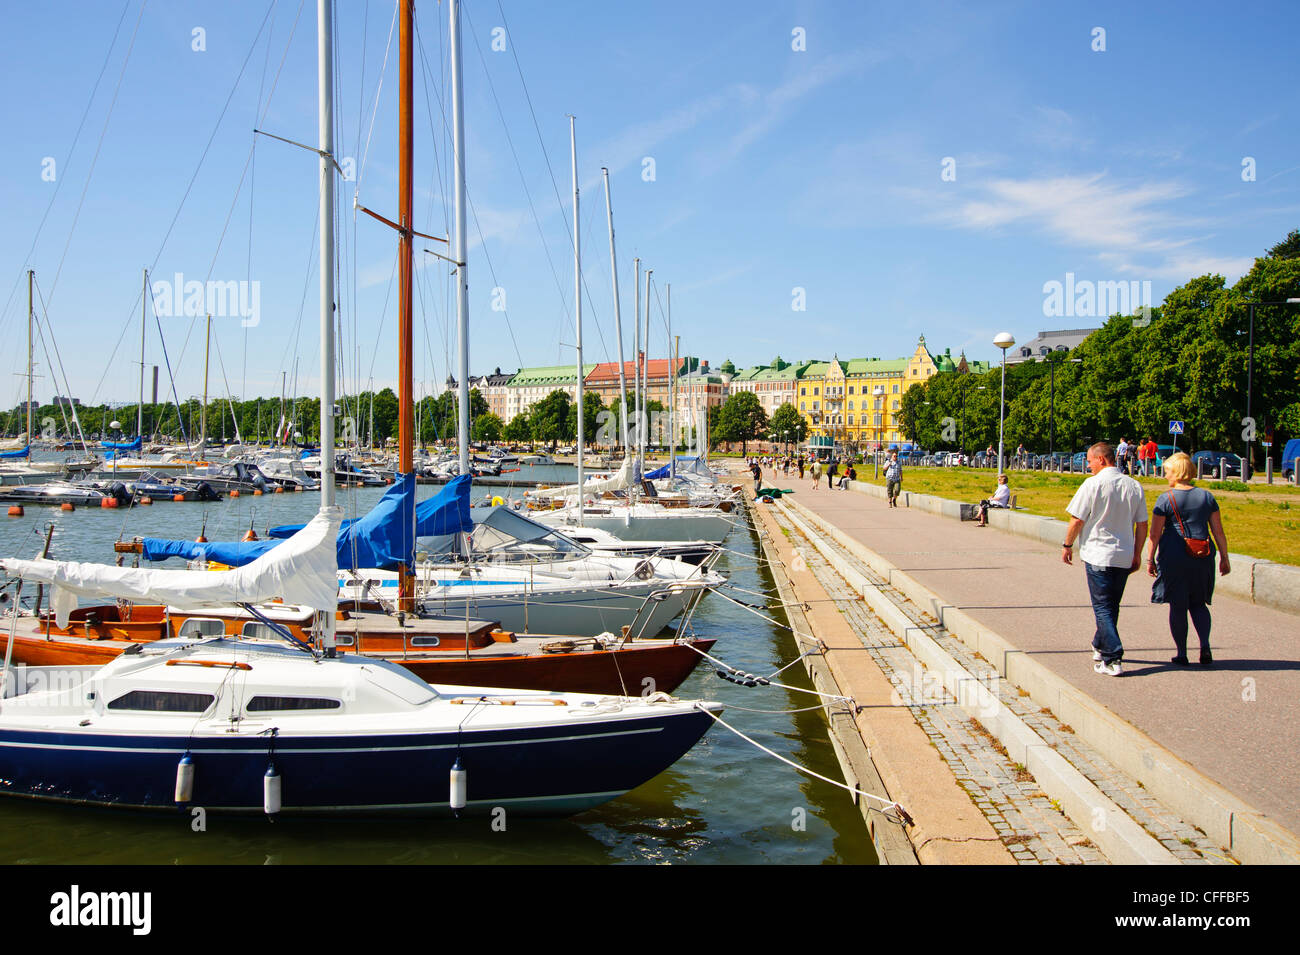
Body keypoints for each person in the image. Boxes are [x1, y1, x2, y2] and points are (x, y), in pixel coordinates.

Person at [1062, 442, 1148, 677]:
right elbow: (1142, 525)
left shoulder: (1093, 484)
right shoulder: (1134, 486)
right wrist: (1137, 553)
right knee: (1110, 606)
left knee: (1102, 607)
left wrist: (1067, 545)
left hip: (1098, 554)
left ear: (1101, 459)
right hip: (1123, 555)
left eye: (1089, 460)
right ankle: (1100, 645)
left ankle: (1112, 658)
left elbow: (1077, 519)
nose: (1088, 465)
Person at [1146, 452, 1231, 666]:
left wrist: (1149, 558)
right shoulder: (1207, 497)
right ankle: (1205, 646)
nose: (1165, 476)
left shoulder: (1166, 498)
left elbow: (1154, 534)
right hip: (1203, 555)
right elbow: (1218, 532)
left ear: (1176, 472)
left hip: (1174, 555)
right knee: (1199, 604)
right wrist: (1224, 558)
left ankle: (1182, 653)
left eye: (1167, 472)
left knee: (1178, 605)